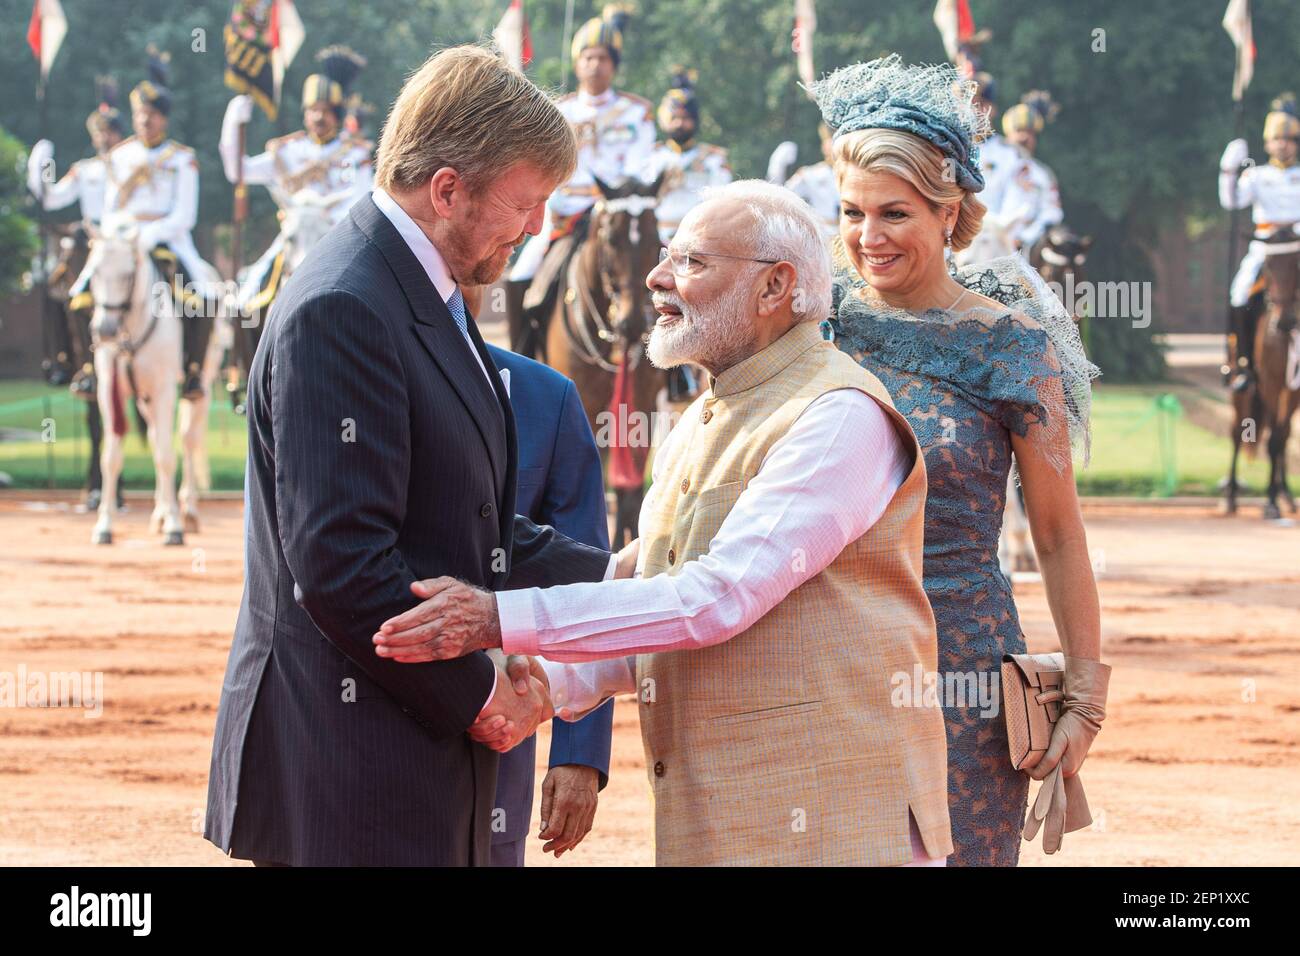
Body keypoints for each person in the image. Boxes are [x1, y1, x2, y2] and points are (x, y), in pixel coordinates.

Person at [373, 180, 955, 868]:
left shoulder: (839, 417)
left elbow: (713, 600)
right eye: (665, 255)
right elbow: (655, 594)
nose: (656, 278)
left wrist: (496, 618)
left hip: (836, 828)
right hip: (730, 821)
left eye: (692, 262)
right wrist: (552, 689)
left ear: (775, 288)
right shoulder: (705, 417)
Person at [203, 45, 618, 868]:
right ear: (448, 189)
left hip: (399, 757)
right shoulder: (345, 307)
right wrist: (482, 698)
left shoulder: (418, 289)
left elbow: (465, 522)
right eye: (527, 201)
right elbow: (344, 564)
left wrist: (624, 580)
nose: (536, 227)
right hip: (351, 772)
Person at [811, 55, 1110, 865]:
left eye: (895, 214)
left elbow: (1056, 533)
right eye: (851, 213)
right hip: (822, 665)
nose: (868, 238)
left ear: (950, 213)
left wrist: (1084, 698)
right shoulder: (812, 328)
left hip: (964, 680)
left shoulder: (1014, 348)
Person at [485, 343, 614, 864]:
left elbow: (583, 595)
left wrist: (577, 753)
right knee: (535, 285)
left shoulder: (546, 396)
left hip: (495, 745)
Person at [505, 4, 655, 357]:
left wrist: (613, 201)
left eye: (602, 57)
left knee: (664, 274)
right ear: (576, 63)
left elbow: (639, 169)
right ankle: (519, 360)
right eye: (587, 57)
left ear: (613, 64)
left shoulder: (636, 113)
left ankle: (676, 374)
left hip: (618, 215)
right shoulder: (560, 111)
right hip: (566, 217)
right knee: (520, 276)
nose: (594, 64)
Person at [79, 48, 224, 401]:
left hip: (168, 240)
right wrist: (125, 235)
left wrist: (148, 234)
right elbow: (110, 209)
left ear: (164, 119)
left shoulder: (182, 159)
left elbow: (184, 215)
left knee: (202, 296)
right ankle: (83, 365)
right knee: (79, 291)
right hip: (124, 239)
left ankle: (192, 371)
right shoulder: (121, 155)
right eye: (141, 114)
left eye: (153, 115)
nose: (146, 121)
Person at [220, 46, 373, 331]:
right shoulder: (287, 152)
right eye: (313, 110)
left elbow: (358, 201)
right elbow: (237, 171)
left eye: (326, 111)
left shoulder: (354, 156)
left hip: (336, 240)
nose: (318, 117)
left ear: (337, 115)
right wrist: (233, 119)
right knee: (245, 299)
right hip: (292, 238)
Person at [28, 76, 125, 397]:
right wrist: (40, 167)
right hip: (91, 243)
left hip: (126, 240)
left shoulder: (135, 165)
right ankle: (74, 361)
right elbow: (51, 197)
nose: (103, 138)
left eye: (108, 132)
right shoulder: (86, 170)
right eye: (99, 132)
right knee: (58, 287)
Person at [1219, 94, 1300, 392]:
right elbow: (1230, 201)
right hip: (1265, 249)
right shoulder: (1256, 175)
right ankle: (1241, 363)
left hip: (1297, 249)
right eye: (1277, 139)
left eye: (1289, 139)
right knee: (1239, 294)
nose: (1283, 144)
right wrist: (1228, 168)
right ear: (1267, 144)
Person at [639, 69, 733, 245]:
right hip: (654, 240)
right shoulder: (650, 157)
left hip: (700, 239)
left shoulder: (713, 160)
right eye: (674, 117)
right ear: (664, 120)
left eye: (686, 118)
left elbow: (723, 204)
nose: (680, 123)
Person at [989, 90, 1064, 254]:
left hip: (1026, 249)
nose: (1024, 137)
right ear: (1008, 134)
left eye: (1029, 132)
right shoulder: (991, 164)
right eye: (1019, 131)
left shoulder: (1042, 175)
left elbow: (1052, 212)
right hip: (987, 241)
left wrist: (1026, 238)